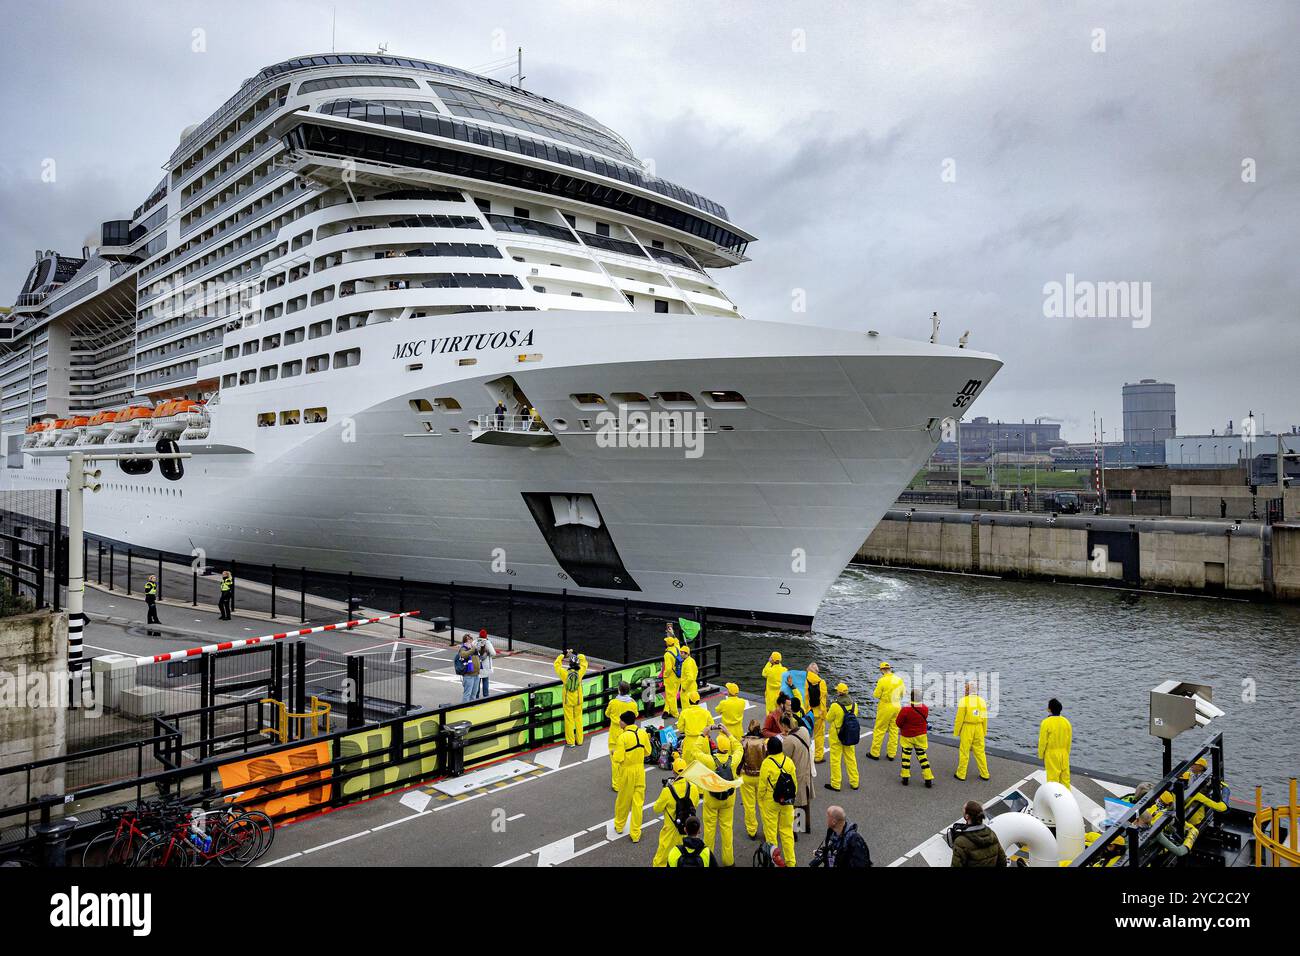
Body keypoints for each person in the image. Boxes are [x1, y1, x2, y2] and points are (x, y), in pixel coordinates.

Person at [699, 734, 742, 866]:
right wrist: (730, 734)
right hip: (728, 799)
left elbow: (695, 751)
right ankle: (728, 861)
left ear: (717, 746)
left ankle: (707, 861)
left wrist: (703, 735)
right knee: (727, 830)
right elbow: (740, 748)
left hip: (711, 799)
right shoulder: (733, 760)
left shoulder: (710, 760)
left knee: (709, 832)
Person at [652, 756, 701, 867]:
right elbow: (695, 804)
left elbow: (656, 808)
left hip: (671, 831)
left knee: (661, 860)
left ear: (673, 772)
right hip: (687, 830)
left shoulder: (667, 791)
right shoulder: (693, 787)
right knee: (683, 860)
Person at [759, 736, 798, 866]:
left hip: (771, 801)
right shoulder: (789, 761)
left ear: (769, 749)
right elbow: (794, 784)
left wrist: (761, 798)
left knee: (771, 833)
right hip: (787, 801)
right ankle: (791, 861)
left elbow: (762, 785)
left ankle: (774, 861)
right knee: (787, 832)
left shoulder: (767, 763)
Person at [612, 711, 651, 842]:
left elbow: (618, 758)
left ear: (624, 722)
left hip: (627, 771)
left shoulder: (622, 737)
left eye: (620, 720)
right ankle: (635, 833)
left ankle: (619, 825)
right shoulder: (642, 733)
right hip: (640, 770)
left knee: (623, 800)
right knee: (638, 803)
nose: (619, 722)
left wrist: (613, 753)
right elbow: (648, 752)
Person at [780, 714, 814, 832]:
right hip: (806, 770)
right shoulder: (804, 730)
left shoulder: (789, 740)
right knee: (806, 801)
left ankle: (795, 829)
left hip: (796, 773)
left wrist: (784, 739)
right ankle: (807, 826)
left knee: (794, 803)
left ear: (784, 725)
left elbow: (784, 757)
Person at [825, 682, 861, 792]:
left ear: (839, 692)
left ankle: (836, 784)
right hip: (849, 735)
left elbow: (828, 719)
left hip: (837, 736)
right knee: (851, 759)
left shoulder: (835, 705)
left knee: (835, 760)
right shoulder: (854, 705)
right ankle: (855, 782)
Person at [950, 801, 1007, 867]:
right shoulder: (991, 834)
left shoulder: (961, 842)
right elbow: (1002, 862)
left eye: (963, 810)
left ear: (967, 816)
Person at [604, 681, 639, 790]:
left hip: (615, 733)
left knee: (615, 760)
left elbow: (607, 714)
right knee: (626, 758)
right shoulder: (633, 703)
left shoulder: (613, 702)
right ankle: (626, 781)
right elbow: (636, 714)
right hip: (628, 733)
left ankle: (616, 784)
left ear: (619, 690)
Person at [895, 690, 934, 787]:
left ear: (911, 698)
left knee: (906, 757)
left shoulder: (905, 709)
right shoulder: (925, 708)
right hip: (920, 736)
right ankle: (928, 777)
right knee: (922, 757)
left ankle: (905, 777)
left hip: (907, 736)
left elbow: (898, 723)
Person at [953, 682, 990, 781]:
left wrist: (956, 731)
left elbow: (959, 719)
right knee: (980, 751)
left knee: (964, 751)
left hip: (967, 727)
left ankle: (961, 773)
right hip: (979, 728)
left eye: (966, 689)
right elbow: (985, 718)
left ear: (968, 690)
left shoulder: (963, 701)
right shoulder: (982, 701)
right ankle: (985, 773)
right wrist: (984, 731)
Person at [552, 649, 588, 746]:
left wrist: (563, 654)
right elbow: (584, 662)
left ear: (570, 664)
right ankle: (580, 740)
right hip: (578, 700)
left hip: (568, 700)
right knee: (578, 719)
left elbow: (556, 664)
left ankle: (571, 742)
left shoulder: (565, 674)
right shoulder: (580, 673)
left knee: (569, 720)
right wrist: (577, 653)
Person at [869, 661, 904, 760]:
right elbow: (902, 694)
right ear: (890, 668)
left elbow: (876, 695)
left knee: (880, 729)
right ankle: (891, 754)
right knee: (894, 730)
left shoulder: (882, 680)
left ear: (881, 670)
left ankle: (875, 753)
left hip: (885, 706)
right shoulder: (899, 679)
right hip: (897, 706)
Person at [739, 720, 767, 841]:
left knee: (749, 806)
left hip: (747, 777)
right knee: (764, 805)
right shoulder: (764, 742)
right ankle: (767, 830)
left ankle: (752, 831)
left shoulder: (744, 742)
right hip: (761, 777)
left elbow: (740, 760)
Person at [1038, 698, 1073, 788]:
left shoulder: (1046, 722)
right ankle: (1066, 797)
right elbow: (1069, 740)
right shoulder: (1066, 722)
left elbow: (1042, 741)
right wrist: (1067, 753)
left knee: (1053, 778)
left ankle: (1055, 797)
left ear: (1049, 709)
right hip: (1064, 753)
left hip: (1051, 754)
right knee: (1065, 778)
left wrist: (1041, 755)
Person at [677, 692, 714, 766]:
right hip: (703, 741)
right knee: (705, 765)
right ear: (698, 700)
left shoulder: (684, 713)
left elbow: (680, 728)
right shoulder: (705, 712)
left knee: (688, 766)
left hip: (689, 742)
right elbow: (711, 726)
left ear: (689, 700)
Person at [806, 663, 829, 762]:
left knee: (806, 734)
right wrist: (824, 714)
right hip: (818, 713)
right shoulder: (821, 682)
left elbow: (805, 698)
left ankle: (805, 755)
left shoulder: (805, 681)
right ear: (816, 672)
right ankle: (818, 756)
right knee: (819, 735)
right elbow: (823, 700)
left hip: (808, 713)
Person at [662, 631, 682, 718]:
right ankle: (666, 710)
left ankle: (674, 712)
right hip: (678, 675)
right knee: (673, 694)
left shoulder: (667, 654)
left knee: (671, 695)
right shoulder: (677, 648)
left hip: (671, 677)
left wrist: (665, 675)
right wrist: (672, 633)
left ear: (667, 644)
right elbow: (677, 641)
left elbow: (668, 668)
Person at [474, 628, 497, 698]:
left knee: (477, 682)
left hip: (477, 665)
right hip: (485, 666)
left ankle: (476, 697)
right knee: (485, 681)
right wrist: (488, 653)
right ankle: (486, 697)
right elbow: (493, 653)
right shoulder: (487, 642)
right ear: (486, 636)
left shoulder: (475, 642)